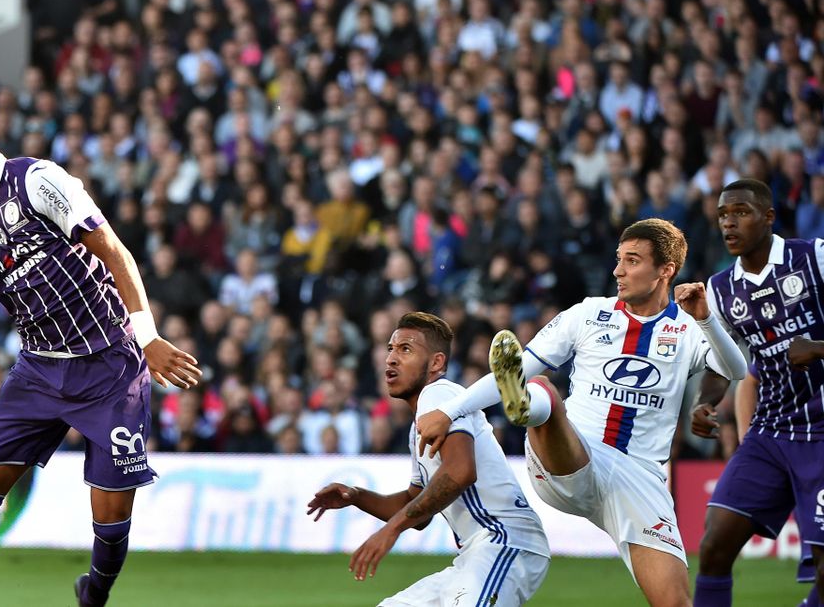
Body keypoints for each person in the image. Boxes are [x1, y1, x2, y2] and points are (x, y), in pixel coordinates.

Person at [0, 100, 201, 607]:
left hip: (110, 365)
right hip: (38, 368)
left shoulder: (35, 180)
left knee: (112, 516)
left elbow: (114, 250)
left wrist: (150, 338)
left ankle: (95, 592)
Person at [416, 218, 748, 607]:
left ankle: (532, 407)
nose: (618, 270)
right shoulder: (588, 314)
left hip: (638, 478)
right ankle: (528, 408)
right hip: (573, 455)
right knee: (539, 388)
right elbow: (517, 367)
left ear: (666, 270)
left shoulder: (689, 327)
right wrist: (452, 411)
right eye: (618, 259)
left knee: (675, 602)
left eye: (632, 260)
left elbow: (735, 368)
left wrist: (706, 318)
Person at [307, 311, 550, 606]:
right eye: (391, 349)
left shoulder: (438, 393)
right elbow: (417, 502)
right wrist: (356, 496)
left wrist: (391, 529)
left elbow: (460, 472)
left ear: (436, 363)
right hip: (473, 556)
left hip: (504, 540)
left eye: (405, 349)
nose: (391, 359)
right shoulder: (419, 426)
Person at [694, 178, 824, 607]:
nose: (729, 223)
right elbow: (722, 362)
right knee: (713, 546)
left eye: (741, 212)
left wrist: (819, 347)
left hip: (823, 432)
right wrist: (706, 401)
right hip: (771, 433)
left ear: (769, 217)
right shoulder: (720, 289)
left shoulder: (814, 258)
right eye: (722, 215)